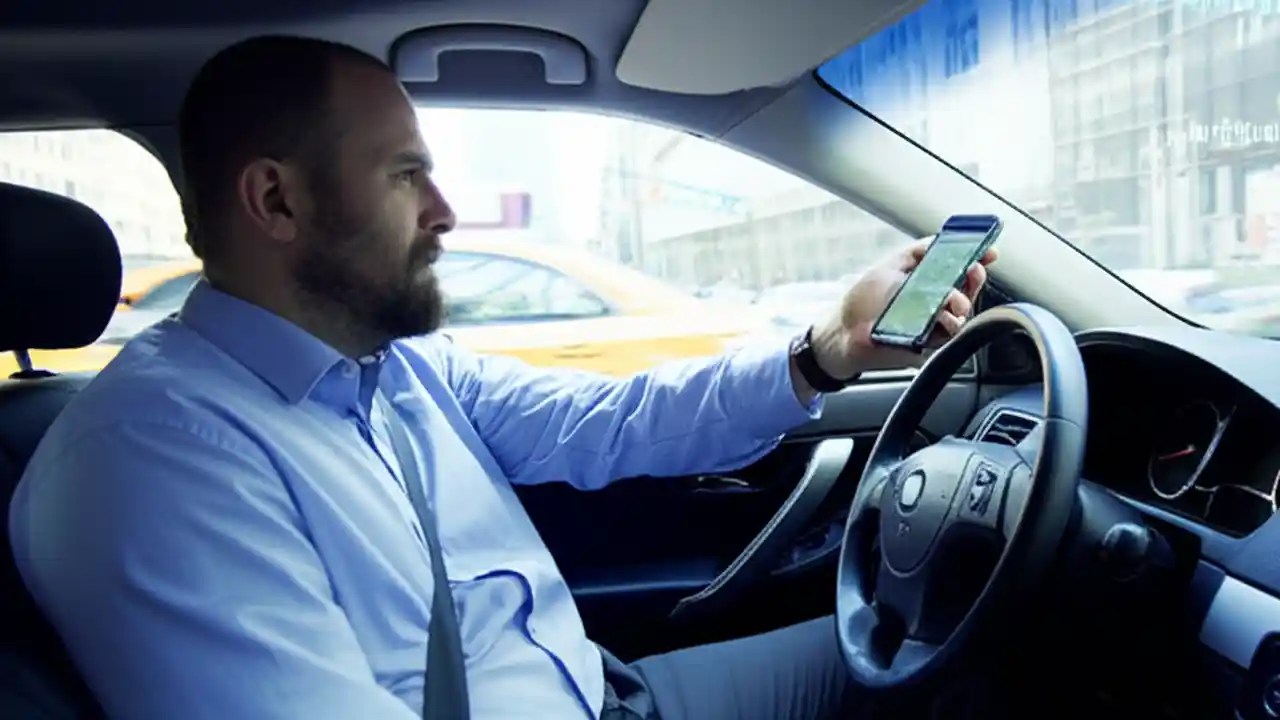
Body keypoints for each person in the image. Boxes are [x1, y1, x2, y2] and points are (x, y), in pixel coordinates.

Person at [8, 36, 995, 720]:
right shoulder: (150, 466)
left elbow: (610, 421)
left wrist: (821, 351)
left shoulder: (392, 368)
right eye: (405, 176)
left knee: (964, 641)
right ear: (276, 200)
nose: (445, 212)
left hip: (605, 691)